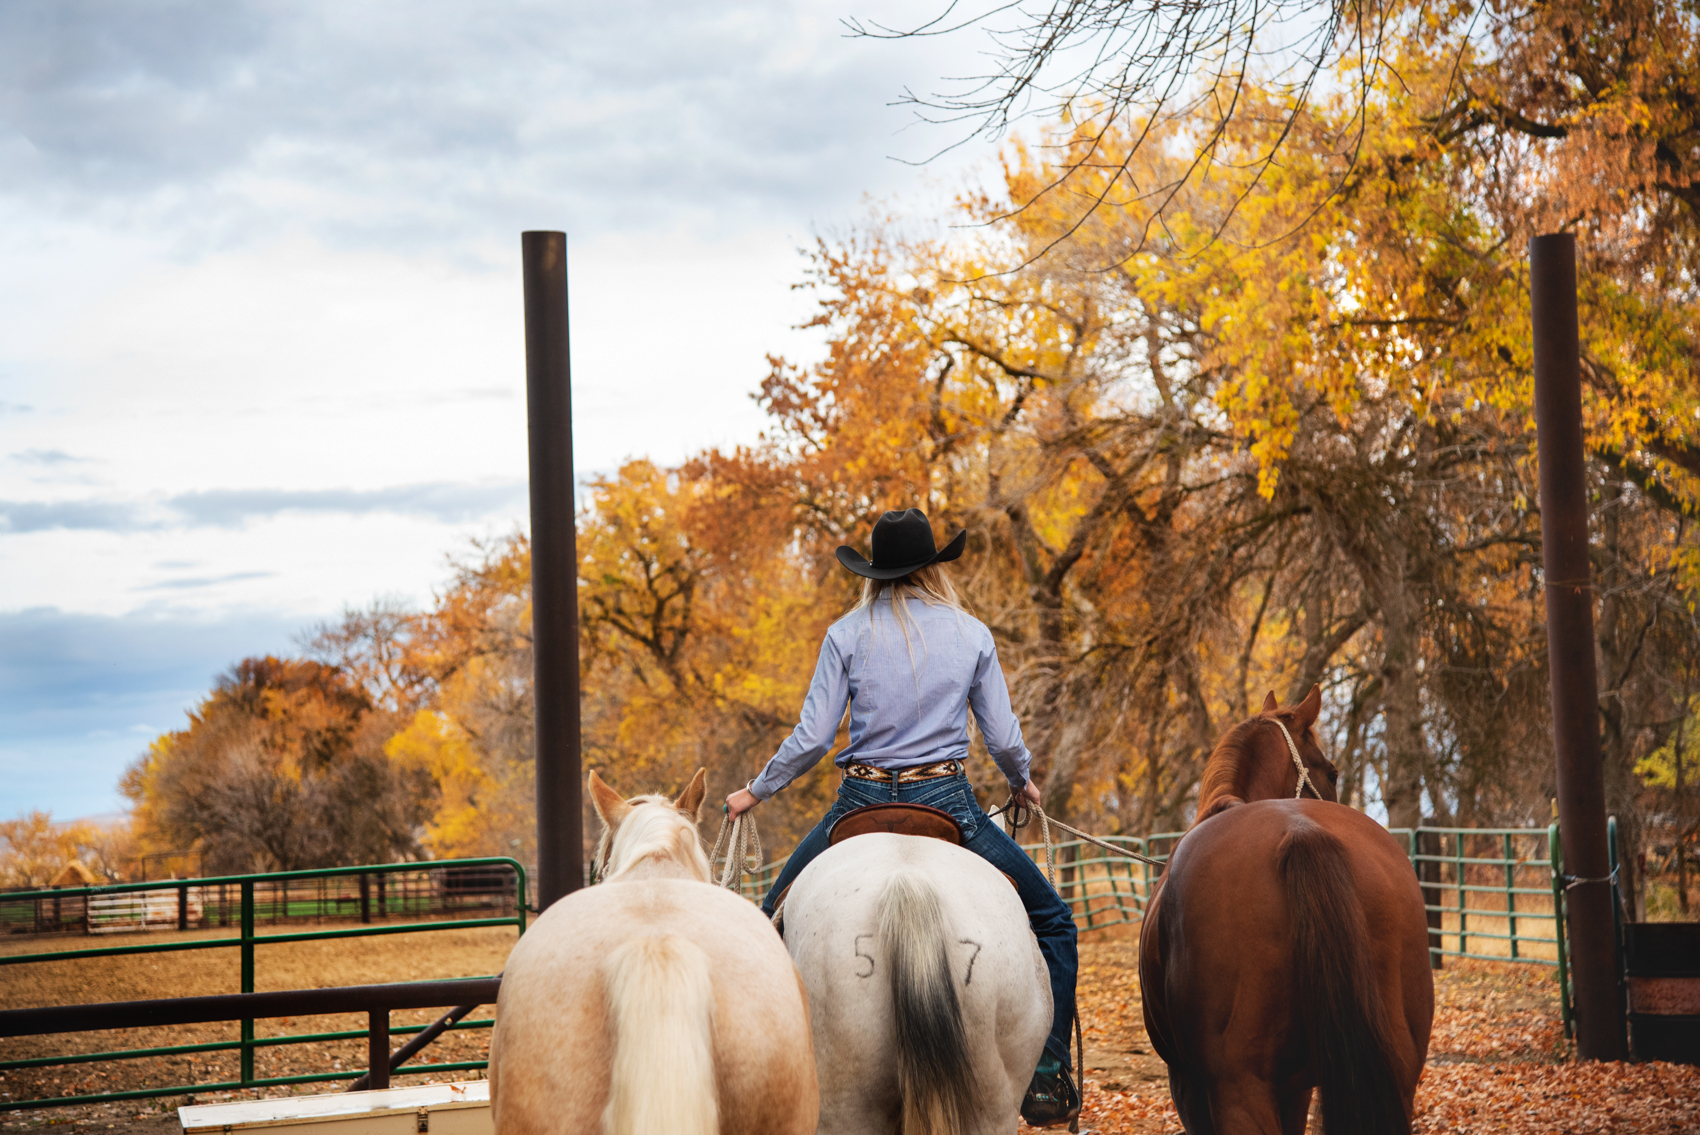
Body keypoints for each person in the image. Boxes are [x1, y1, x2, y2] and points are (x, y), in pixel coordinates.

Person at [724, 508, 1080, 1128]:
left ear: (875, 572)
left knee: (762, 926)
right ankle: (1047, 1074)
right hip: (946, 799)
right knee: (1055, 921)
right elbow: (1001, 736)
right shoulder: (971, 634)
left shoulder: (845, 634)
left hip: (859, 801)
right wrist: (1021, 781)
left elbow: (814, 737)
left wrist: (756, 791)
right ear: (934, 567)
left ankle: (758, 1077)